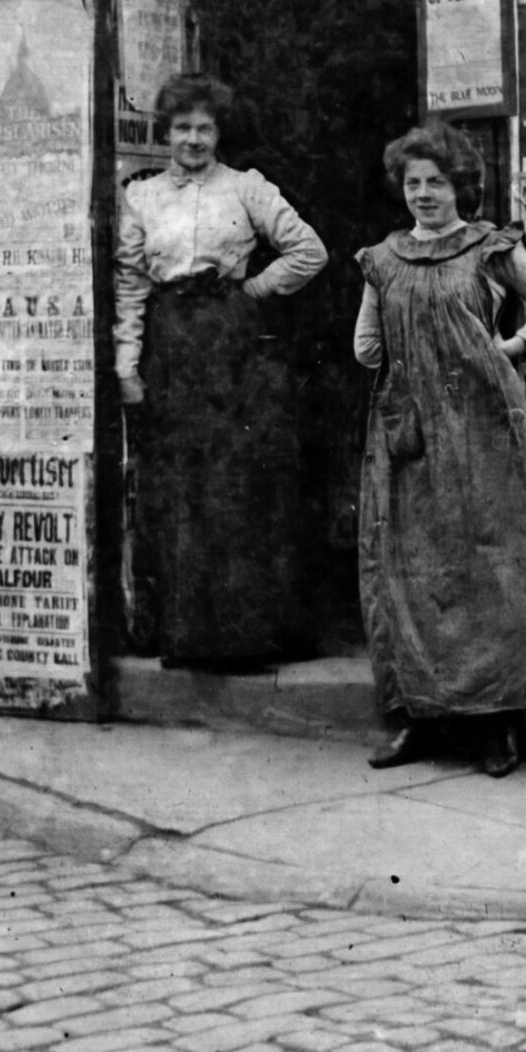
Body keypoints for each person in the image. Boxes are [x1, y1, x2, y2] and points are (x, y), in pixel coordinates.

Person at [354, 120, 526, 777]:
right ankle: (420, 719)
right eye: (413, 183)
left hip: (486, 428)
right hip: (411, 438)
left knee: (494, 571)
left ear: (459, 185)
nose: (425, 194)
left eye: (436, 182)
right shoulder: (381, 258)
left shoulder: (491, 249)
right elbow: (366, 349)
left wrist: (509, 348)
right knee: (410, 574)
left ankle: (501, 725)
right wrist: (397, 336)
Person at [114, 73, 327, 668]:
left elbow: (309, 251)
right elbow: (130, 285)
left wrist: (251, 291)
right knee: (178, 487)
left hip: (233, 348)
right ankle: (187, 637)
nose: (194, 139)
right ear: (167, 133)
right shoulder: (142, 197)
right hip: (171, 345)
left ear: (218, 133)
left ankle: (241, 637)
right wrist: (126, 366)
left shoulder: (246, 189)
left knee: (234, 487)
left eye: (205, 128)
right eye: (183, 128)